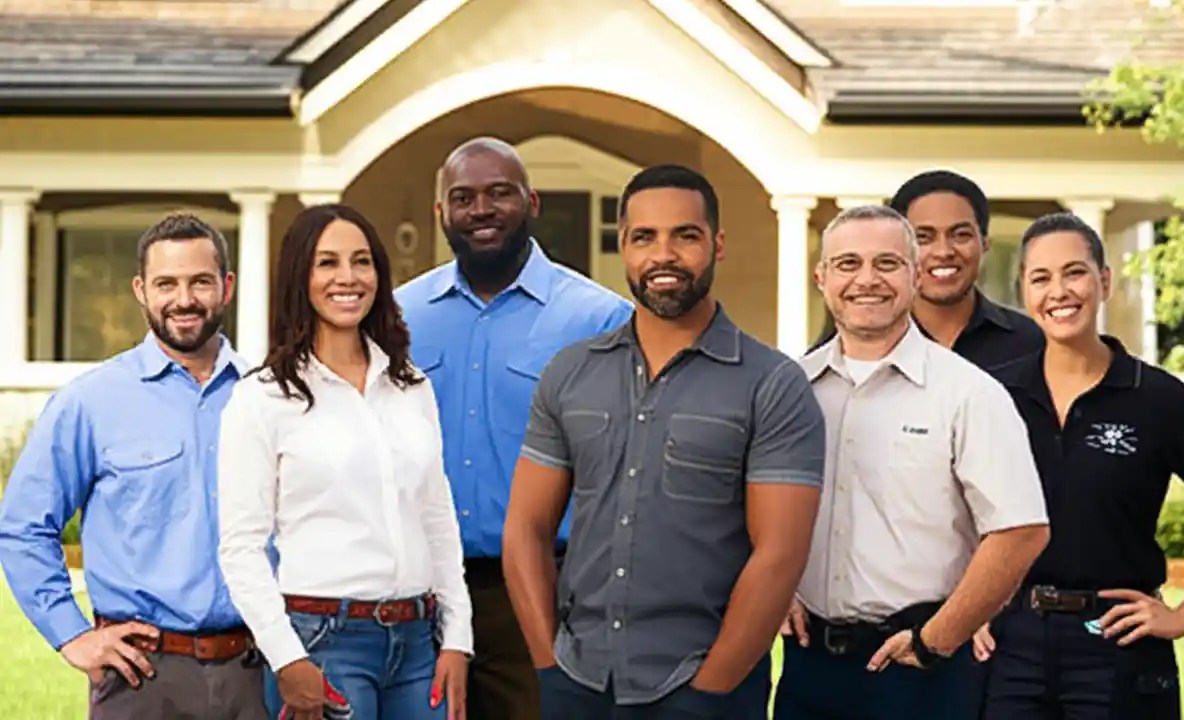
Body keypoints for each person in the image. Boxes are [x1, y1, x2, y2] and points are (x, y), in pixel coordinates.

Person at [502, 163, 827, 719]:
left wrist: (710, 691)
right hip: (579, 683)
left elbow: (780, 555)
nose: (664, 255)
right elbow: (525, 529)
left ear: (717, 245)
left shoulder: (771, 384)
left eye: (685, 236)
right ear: (623, 246)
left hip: (702, 690)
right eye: (644, 237)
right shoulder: (570, 373)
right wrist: (550, 669)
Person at [980, 212, 1184, 719]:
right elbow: (954, 511)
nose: (1059, 291)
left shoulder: (1158, 398)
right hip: (1011, 648)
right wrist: (968, 605)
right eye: (1041, 278)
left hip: (1116, 644)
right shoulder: (992, 395)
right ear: (1023, 291)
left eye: (1075, 272)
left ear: (1104, 281)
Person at [774, 204, 1051, 720]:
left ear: (916, 275)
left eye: (887, 263)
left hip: (921, 668)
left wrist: (936, 641)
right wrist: (776, 587)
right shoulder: (790, 389)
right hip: (809, 666)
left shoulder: (969, 393)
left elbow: (1021, 531)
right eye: (848, 264)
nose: (867, 280)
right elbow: (754, 503)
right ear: (821, 277)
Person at [395, 136, 632, 719]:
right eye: (463, 198)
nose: (481, 210)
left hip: (544, 589)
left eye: (499, 193)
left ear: (532, 202)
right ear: (441, 212)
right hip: (418, 594)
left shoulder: (597, 318)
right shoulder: (398, 318)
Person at [0, 213, 267, 719]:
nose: (184, 299)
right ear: (141, 290)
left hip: (259, 673)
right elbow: (23, 527)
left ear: (227, 287)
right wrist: (72, 634)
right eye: (166, 284)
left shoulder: (269, 394)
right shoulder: (91, 402)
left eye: (200, 282)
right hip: (142, 679)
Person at [216, 204, 472, 720]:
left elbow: (437, 519)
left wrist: (457, 639)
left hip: (418, 643)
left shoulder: (411, 387)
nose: (348, 278)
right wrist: (287, 659)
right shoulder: (262, 398)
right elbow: (241, 548)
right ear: (300, 276)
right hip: (322, 643)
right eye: (327, 263)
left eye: (361, 261)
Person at [809, 170, 1043, 371]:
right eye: (923, 237)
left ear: (984, 244)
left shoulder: (1034, 343)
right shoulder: (837, 358)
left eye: (960, 235)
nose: (943, 251)